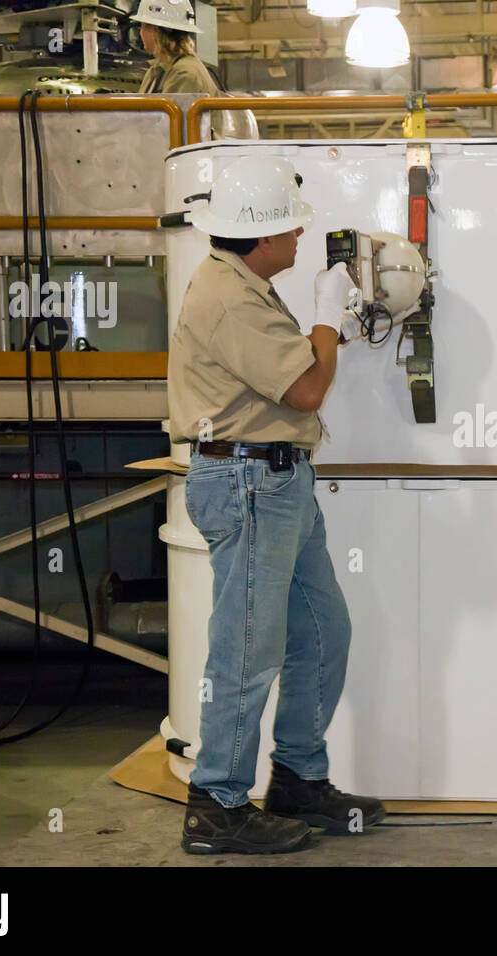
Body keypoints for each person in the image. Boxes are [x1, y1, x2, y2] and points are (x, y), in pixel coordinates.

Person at [168, 155, 385, 855]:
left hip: (277, 478)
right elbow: (307, 391)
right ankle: (216, 804)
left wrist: (327, 332)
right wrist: (327, 320)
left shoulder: (245, 284)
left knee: (323, 630)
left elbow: (299, 375)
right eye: (292, 230)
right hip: (248, 482)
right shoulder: (229, 297)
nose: (299, 241)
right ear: (260, 237)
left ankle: (296, 777)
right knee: (248, 650)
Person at [132, 0, 219, 95]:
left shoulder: (184, 73)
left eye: (142, 26)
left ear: (155, 31)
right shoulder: (158, 69)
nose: (140, 33)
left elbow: (170, 109)